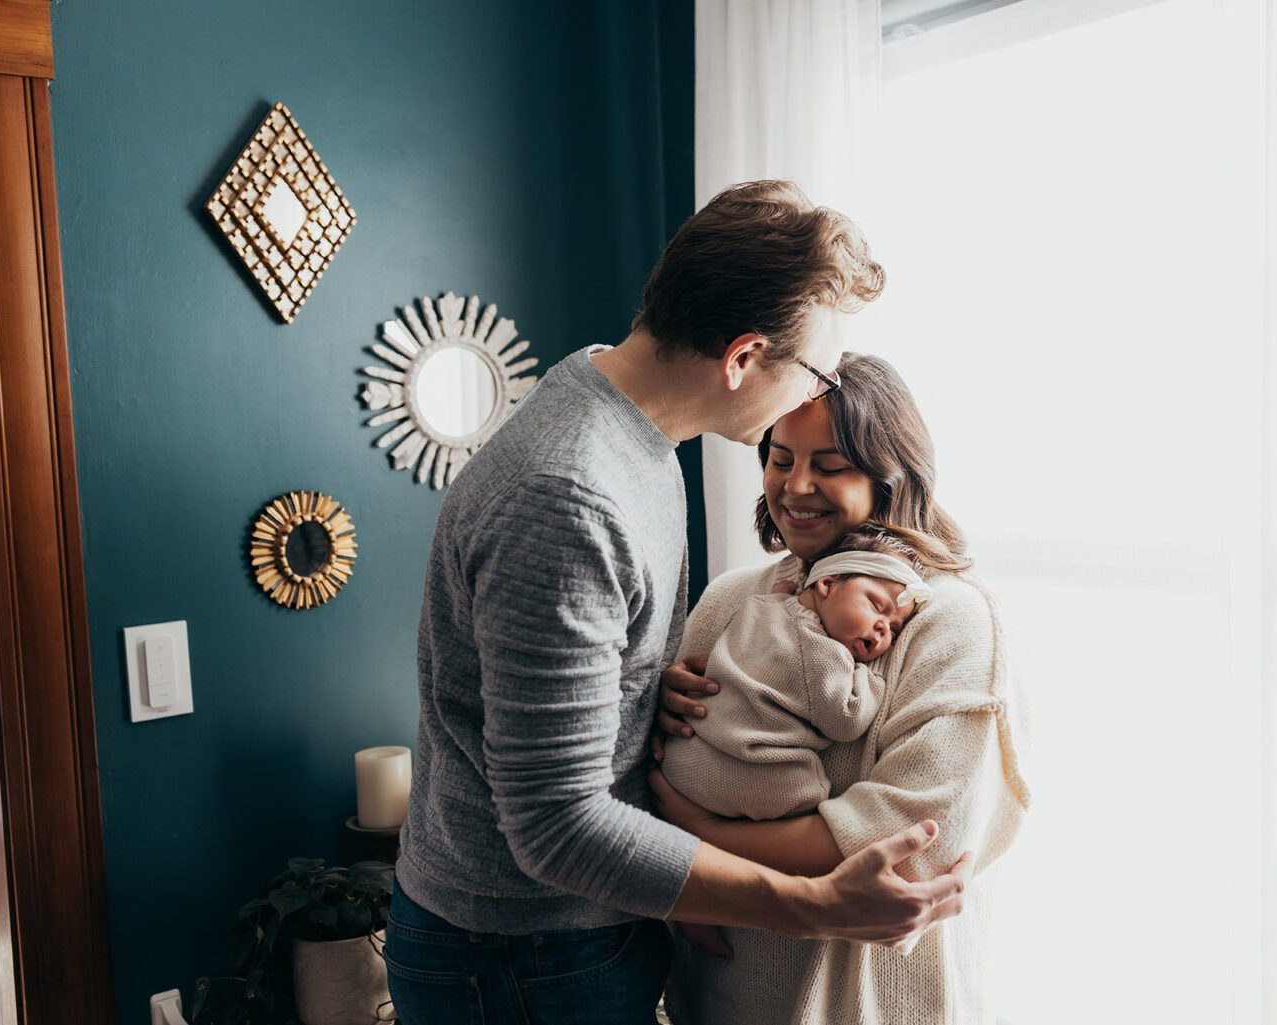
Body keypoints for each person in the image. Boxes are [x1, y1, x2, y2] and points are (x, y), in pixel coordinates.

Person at [384, 181, 975, 1025]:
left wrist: (643, 695)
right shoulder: (570, 496)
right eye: (814, 373)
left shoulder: (626, 420)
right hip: (521, 953)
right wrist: (812, 905)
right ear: (742, 358)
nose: (812, 396)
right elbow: (555, 826)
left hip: (571, 932)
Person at [652, 353, 1031, 1025]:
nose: (796, 485)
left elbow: (910, 842)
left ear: (891, 475)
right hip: (725, 998)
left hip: (877, 1004)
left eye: (828, 466)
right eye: (780, 458)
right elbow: (650, 782)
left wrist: (699, 838)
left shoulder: (950, 620)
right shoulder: (731, 600)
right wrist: (655, 713)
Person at [659, 525, 933, 821]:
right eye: (876, 605)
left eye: (894, 629)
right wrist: (873, 675)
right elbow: (846, 720)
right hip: (755, 774)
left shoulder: (762, 604)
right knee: (814, 801)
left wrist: (780, 596)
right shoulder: (825, 652)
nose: (883, 630)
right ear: (827, 583)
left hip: (685, 758)